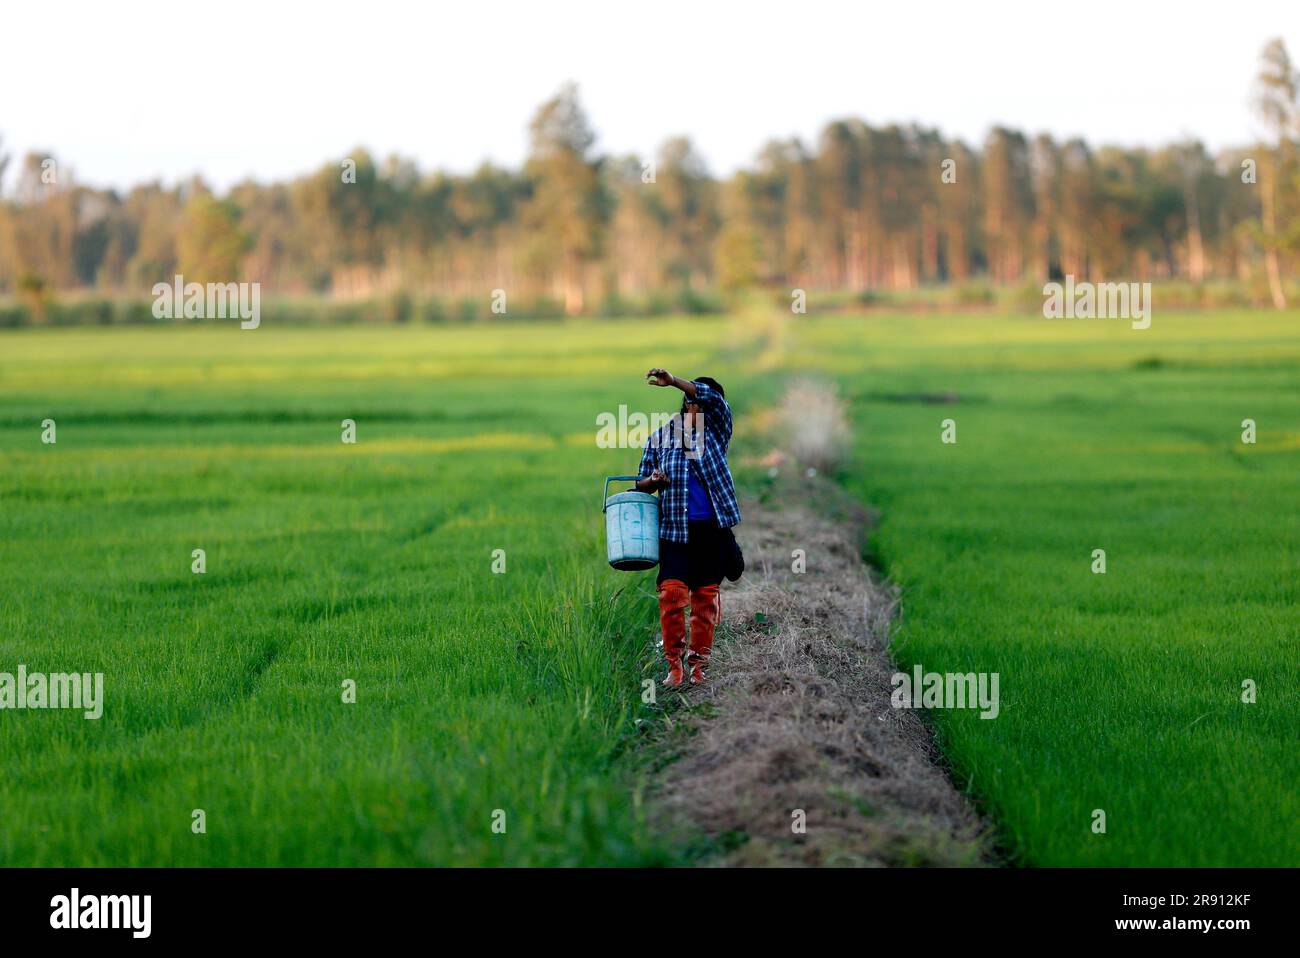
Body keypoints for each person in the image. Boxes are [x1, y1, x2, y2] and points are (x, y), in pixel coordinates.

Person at [636, 368, 742, 687]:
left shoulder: (717, 433)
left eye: (701, 404)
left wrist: (675, 382)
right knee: (671, 594)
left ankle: (698, 665)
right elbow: (640, 482)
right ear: (683, 406)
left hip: (710, 531)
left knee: (705, 598)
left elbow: (712, 400)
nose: (694, 408)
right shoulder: (660, 437)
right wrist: (652, 481)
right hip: (674, 531)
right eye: (689, 403)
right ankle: (674, 665)